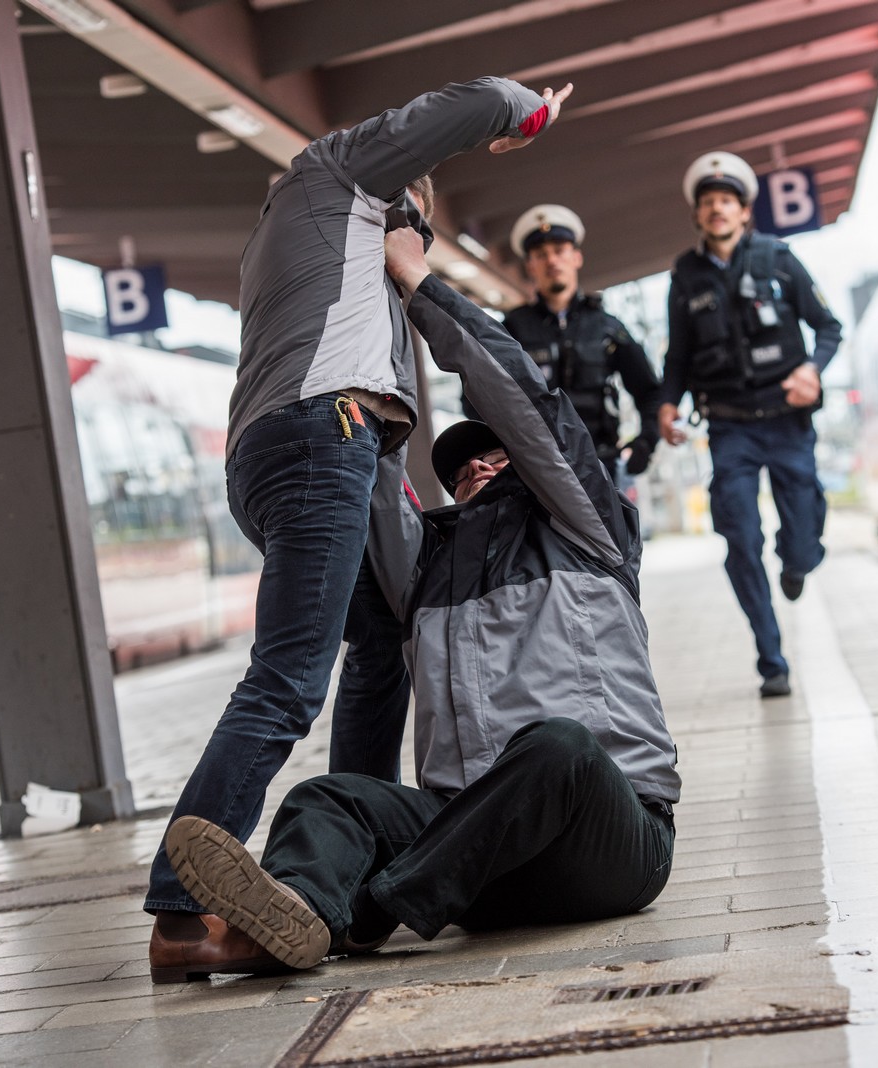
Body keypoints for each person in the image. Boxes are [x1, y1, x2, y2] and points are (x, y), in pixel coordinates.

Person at [151, 224, 680, 979]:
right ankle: (295, 918)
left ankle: (364, 913)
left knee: (557, 746)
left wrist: (420, 289)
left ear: (530, 467)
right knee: (328, 799)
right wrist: (363, 324)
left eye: (497, 456)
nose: (478, 469)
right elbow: (375, 464)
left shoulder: (591, 529)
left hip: (606, 840)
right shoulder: (424, 571)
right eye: (462, 468)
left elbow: (524, 401)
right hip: (477, 866)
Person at [146, 76, 574, 979]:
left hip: (312, 450)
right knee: (290, 678)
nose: (412, 223)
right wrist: (525, 113)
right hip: (321, 439)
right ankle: (179, 916)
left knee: (380, 644)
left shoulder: (300, 247)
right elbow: (454, 106)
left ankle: (349, 864)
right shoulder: (334, 172)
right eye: (411, 202)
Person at [657, 151, 842, 700]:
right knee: (739, 537)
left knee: (803, 535)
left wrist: (812, 370)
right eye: (708, 202)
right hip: (731, 428)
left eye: (726, 201)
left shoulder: (779, 259)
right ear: (698, 215)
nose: (717, 209)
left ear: (743, 211)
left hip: (787, 420)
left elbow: (828, 327)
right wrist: (667, 405)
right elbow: (679, 358)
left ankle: (800, 557)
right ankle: (771, 659)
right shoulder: (685, 277)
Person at [462, 204, 661, 481]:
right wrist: (500, 453)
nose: (552, 261)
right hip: (536, 470)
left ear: (576, 257)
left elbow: (650, 391)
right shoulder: (511, 330)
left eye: (559, 251)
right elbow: (477, 396)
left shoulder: (607, 328)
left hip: (600, 467)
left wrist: (646, 442)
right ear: (530, 265)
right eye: (541, 255)